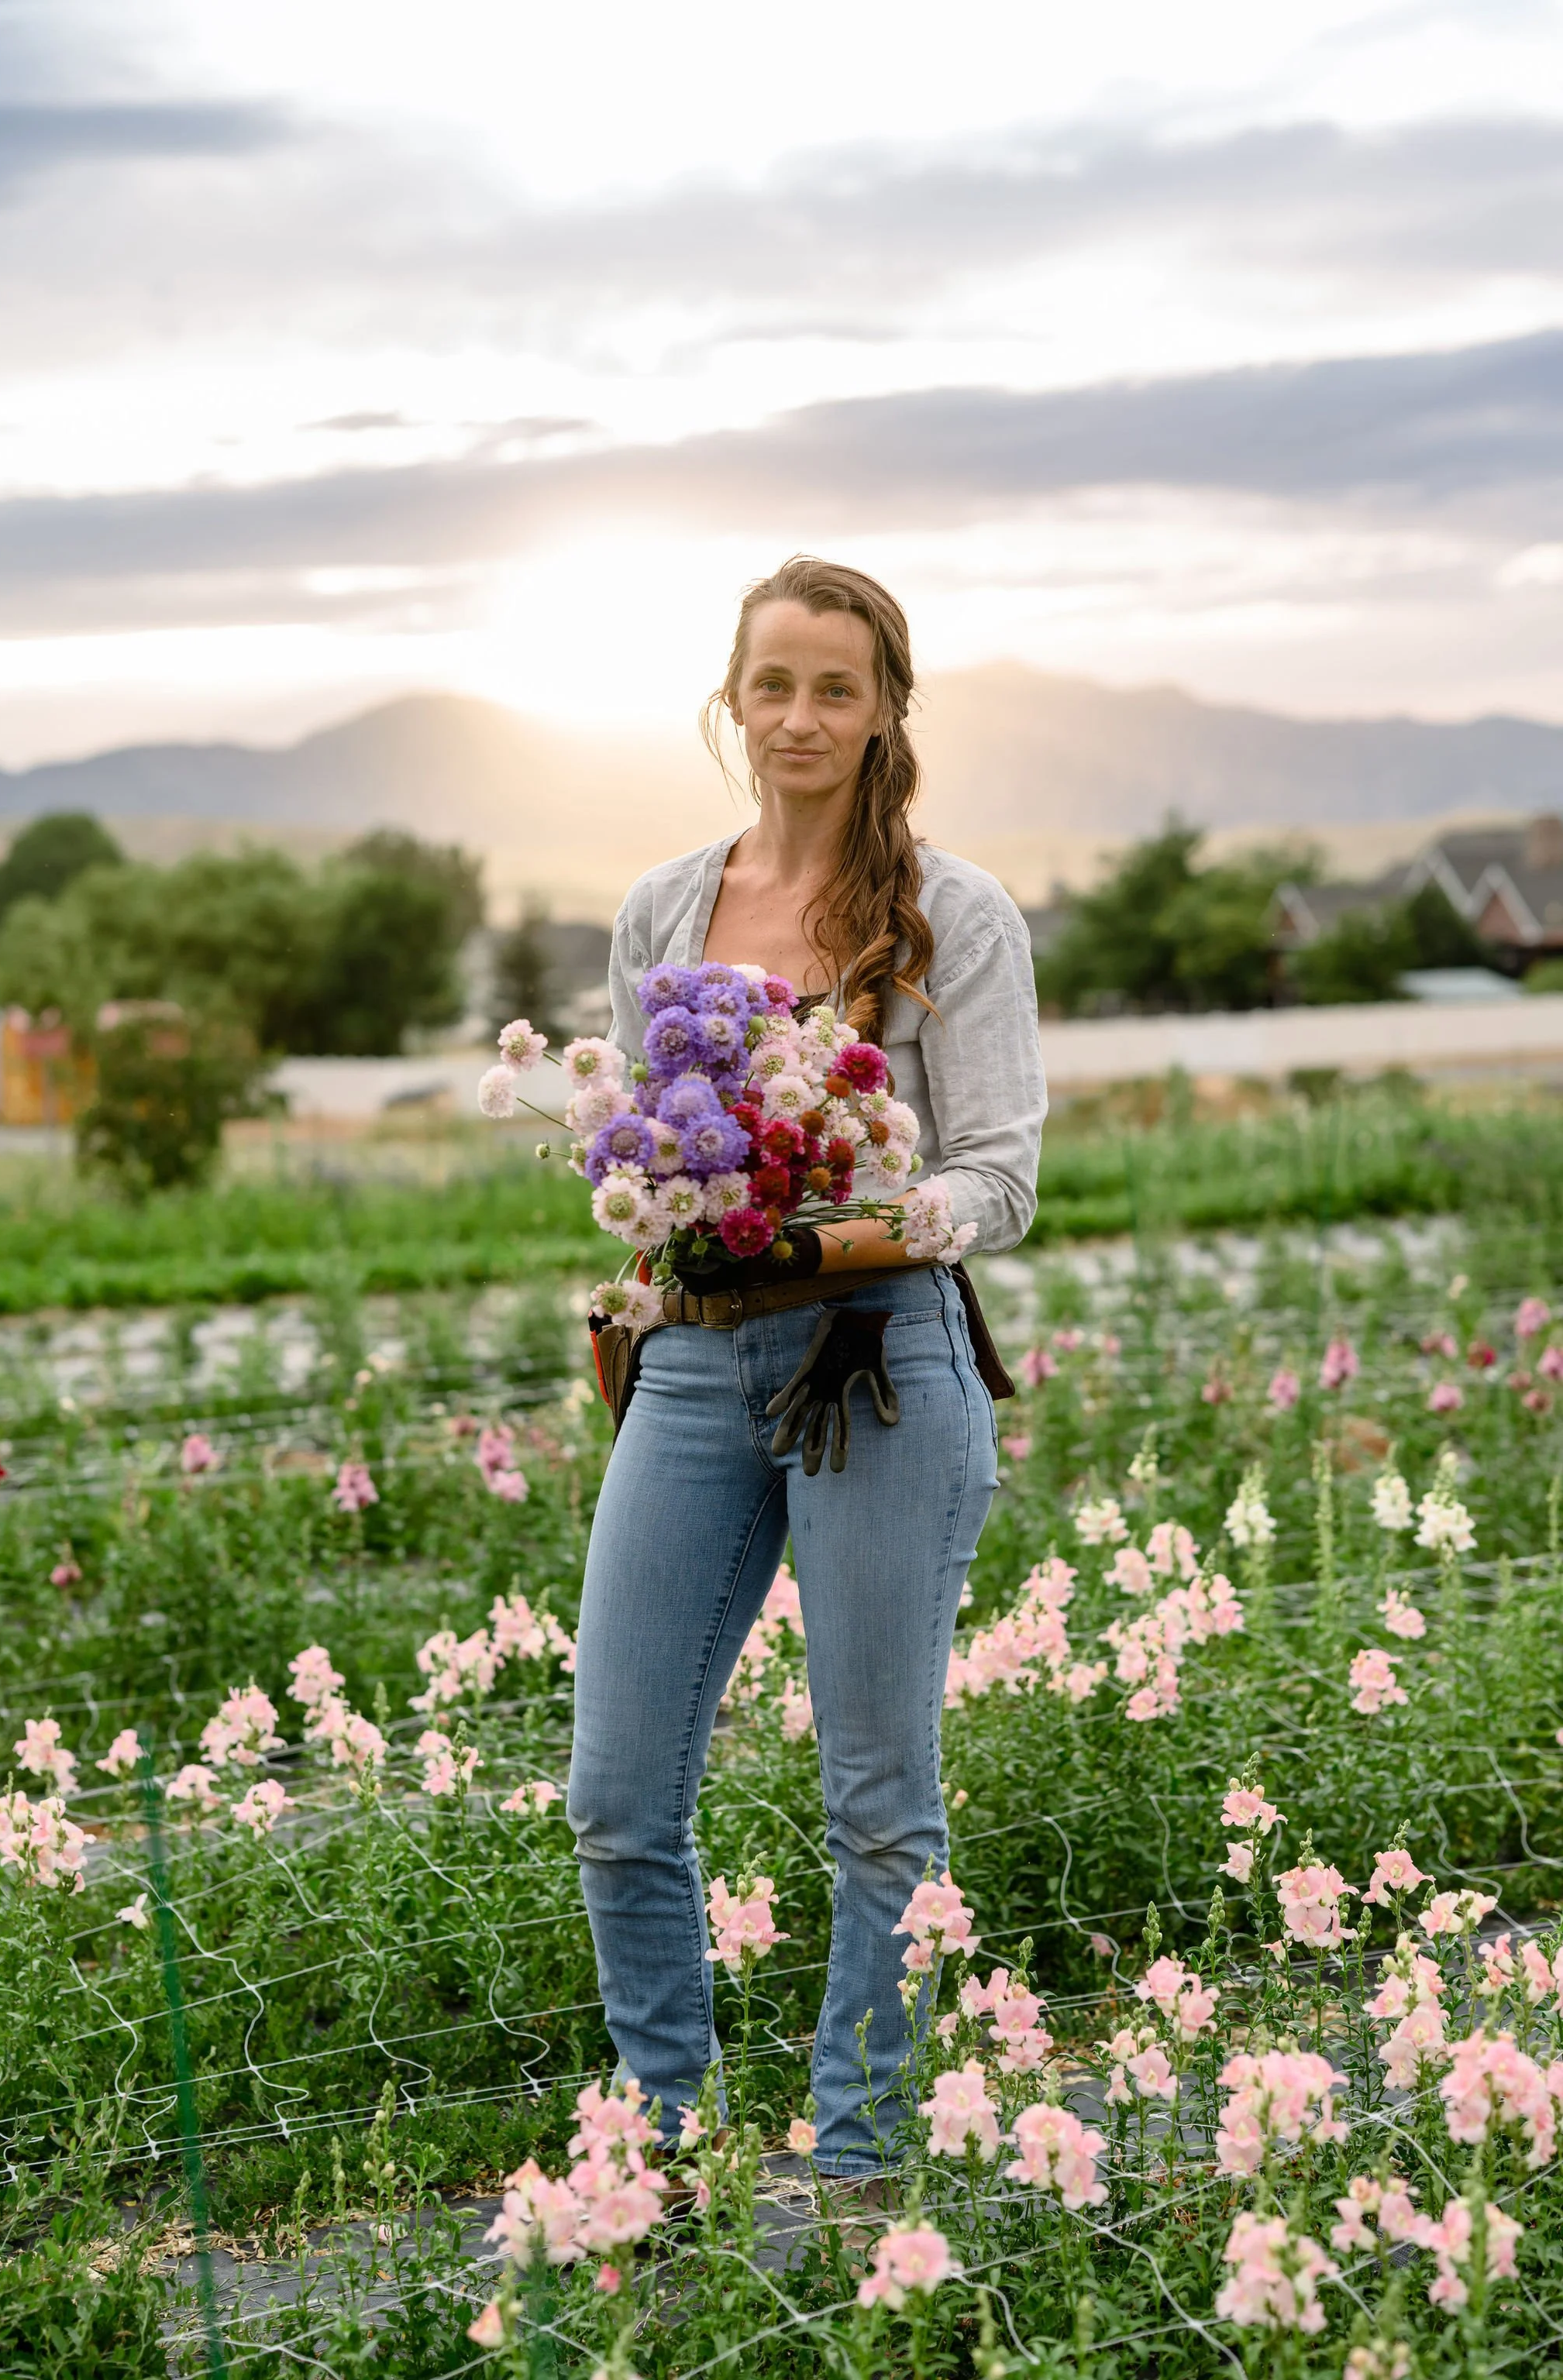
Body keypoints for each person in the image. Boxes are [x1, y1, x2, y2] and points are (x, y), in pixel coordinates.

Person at [566, 555, 1045, 2177]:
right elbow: (641, 1147)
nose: (800, 716)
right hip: (696, 1370)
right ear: (732, 696)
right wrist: (661, 1237)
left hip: (881, 1360)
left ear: (886, 709)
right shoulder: (662, 907)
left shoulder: (954, 915)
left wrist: (833, 1234)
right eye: (773, 683)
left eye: (837, 688)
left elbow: (1000, 1179)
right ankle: (668, 2140)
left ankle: (858, 2158)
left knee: (877, 1801)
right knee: (616, 1792)